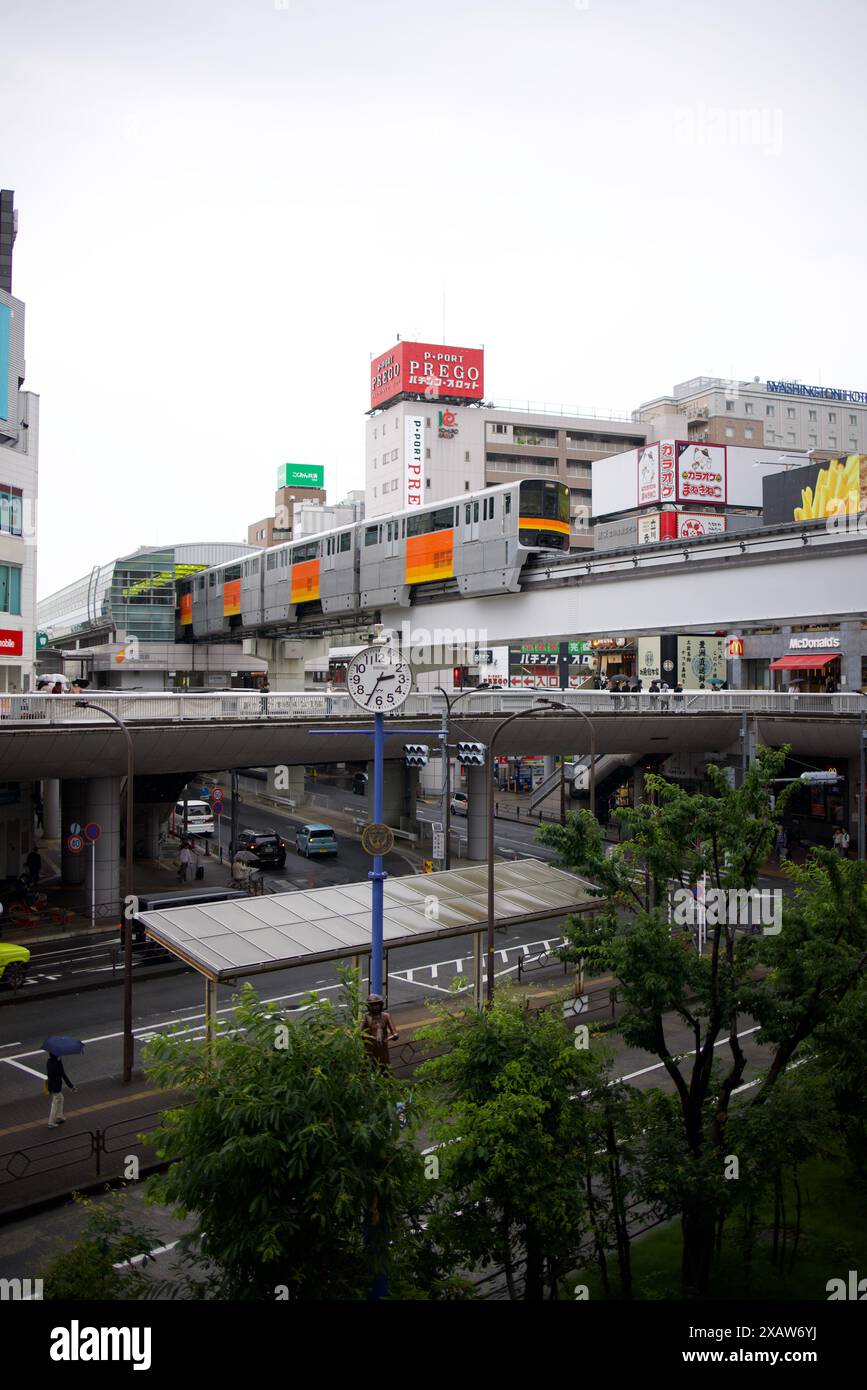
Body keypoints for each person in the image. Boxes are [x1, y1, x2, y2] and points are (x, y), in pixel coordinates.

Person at [360, 994, 399, 1074]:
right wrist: (370, 1037)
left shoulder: (386, 1016)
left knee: (385, 1069)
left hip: (382, 1048)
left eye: (377, 1005)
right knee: (370, 1069)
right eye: (373, 1005)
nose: (375, 1007)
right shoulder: (366, 1016)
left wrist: (389, 1038)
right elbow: (359, 1032)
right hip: (370, 1048)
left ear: (381, 1005)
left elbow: (395, 1034)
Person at [46, 1052, 75, 1128]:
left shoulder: (49, 1062)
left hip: (50, 1085)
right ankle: (51, 1122)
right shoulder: (57, 1063)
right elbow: (63, 1075)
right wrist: (71, 1086)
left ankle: (59, 1116)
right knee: (55, 1103)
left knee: (60, 1098)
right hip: (56, 1086)